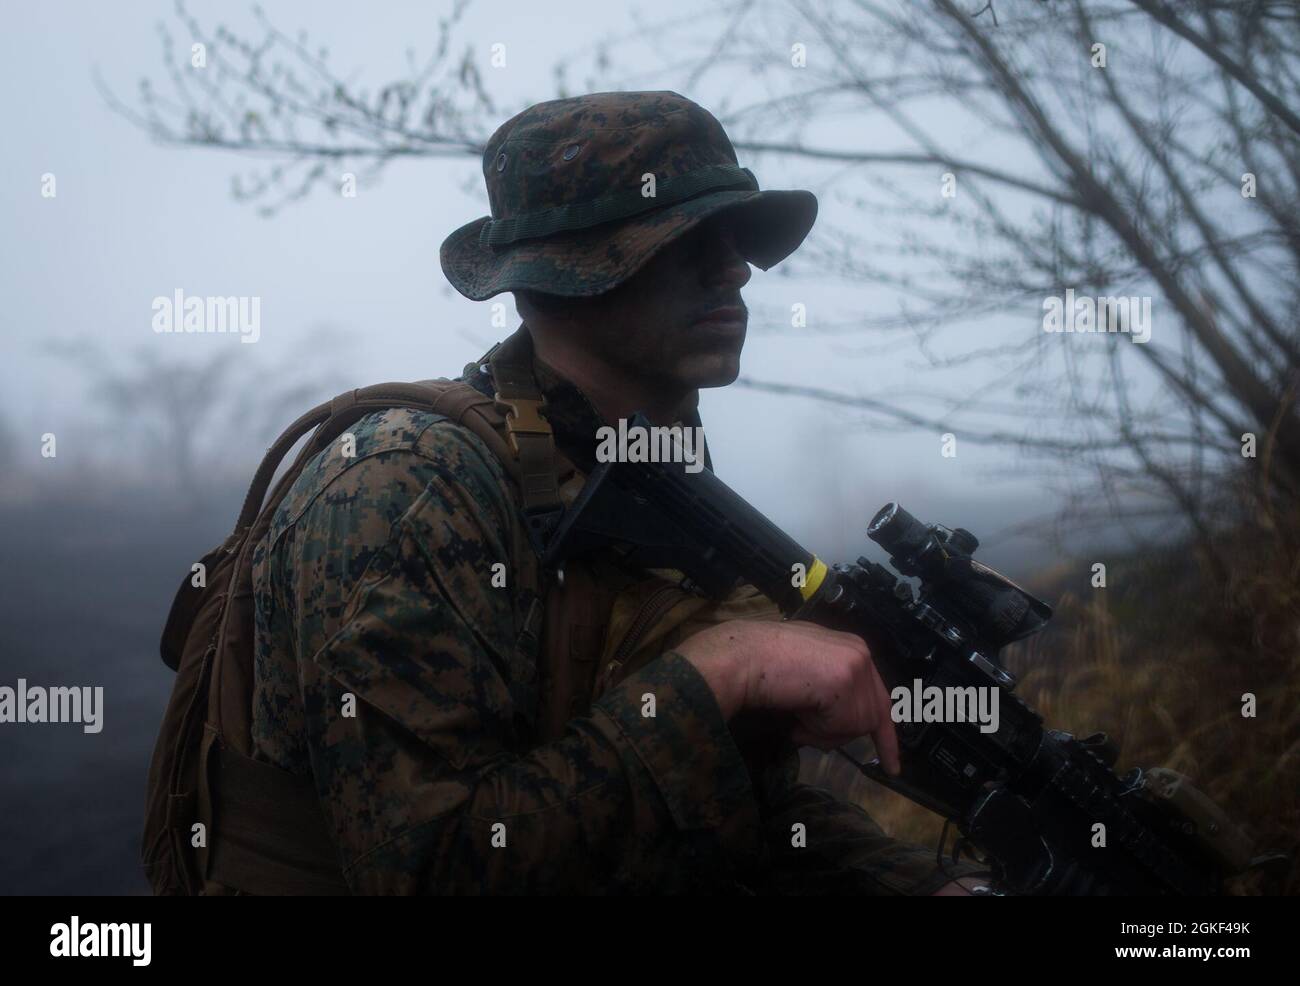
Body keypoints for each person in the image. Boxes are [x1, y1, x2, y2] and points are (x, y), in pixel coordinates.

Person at [250, 90, 982, 894]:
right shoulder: (404, 488)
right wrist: (717, 673)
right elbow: (431, 872)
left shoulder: (646, 477)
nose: (735, 268)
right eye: (685, 241)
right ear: (561, 280)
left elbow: (737, 815)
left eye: (735, 236)